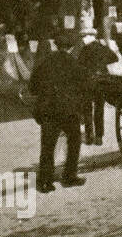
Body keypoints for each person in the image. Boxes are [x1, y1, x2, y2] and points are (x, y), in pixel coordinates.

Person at [29, 30, 89, 192]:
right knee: (74, 140)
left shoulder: (45, 62)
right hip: (68, 110)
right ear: (69, 48)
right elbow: (84, 86)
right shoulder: (74, 63)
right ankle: (69, 176)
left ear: (56, 46)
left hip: (48, 109)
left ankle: (44, 181)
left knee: (47, 146)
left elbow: (33, 87)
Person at [76, 26, 117, 145]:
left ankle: (89, 136)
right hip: (101, 82)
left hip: (88, 82)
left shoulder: (85, 50)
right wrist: (102, 62)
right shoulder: (102, 47)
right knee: (99, 110)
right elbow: (114, 57)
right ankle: (99, 137)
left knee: (87, 109)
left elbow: (78, 64)